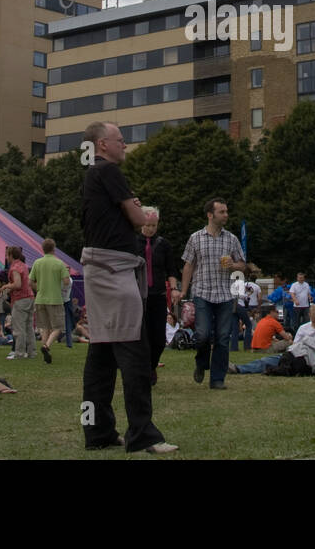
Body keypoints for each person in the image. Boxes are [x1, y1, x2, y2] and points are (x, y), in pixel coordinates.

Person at [79, 121, 175, 453]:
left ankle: (97, 431)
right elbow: (140, 218)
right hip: (112, 269)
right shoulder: (107, 171)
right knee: (135, 352)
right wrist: (137, 206)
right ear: (103, 144)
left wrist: (133, 206)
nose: (126, 145)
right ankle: (142, 433)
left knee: (102, 354)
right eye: (121, 140)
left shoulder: (95, 174)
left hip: (103, 268)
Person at [179, 198, 246, 390]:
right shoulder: (196, 238)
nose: (226, 215)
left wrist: (234, 265)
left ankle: (217, 379)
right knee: (202, 335)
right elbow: (188, 265)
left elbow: (242, 263)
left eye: (226, 211)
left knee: (223, 338)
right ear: (210, 215)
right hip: (202, 292)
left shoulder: (231, 239)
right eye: (222, 212)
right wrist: (184, 291)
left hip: (225, 294)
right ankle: (201, 363)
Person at [140, 205, 176, 380]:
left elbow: (171, 270)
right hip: (137, 296)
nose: (151, 229)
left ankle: (152, 364)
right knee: (141, 335)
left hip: (158, 296)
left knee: (159, 337)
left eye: (154, 225)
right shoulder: (132, 243)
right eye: (148, 225)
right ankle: (143, 370)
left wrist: (175, 289)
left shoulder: (164, 244)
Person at [30, 238, 71, 364]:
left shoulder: (37, 263)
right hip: (55, 299)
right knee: (58, 327)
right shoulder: (59, 263)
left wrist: (39, 288)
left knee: (45, 327)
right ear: (54, 249)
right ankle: (46, 346)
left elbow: (30, 281)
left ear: (43, 249)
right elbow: (66, 281)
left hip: (40, 298)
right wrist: (60, 288)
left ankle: (45, 351)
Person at [3, 246, 35, 360]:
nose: (6, 257)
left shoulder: (15, 267)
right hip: (30, 298)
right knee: (29, 327)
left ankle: (19, 353)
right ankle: (31, 352)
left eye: (7, 255)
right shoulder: (24, 265)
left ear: (11, 255)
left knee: (19, 328)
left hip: (20, 299)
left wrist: (6, 286)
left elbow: (17, 284)